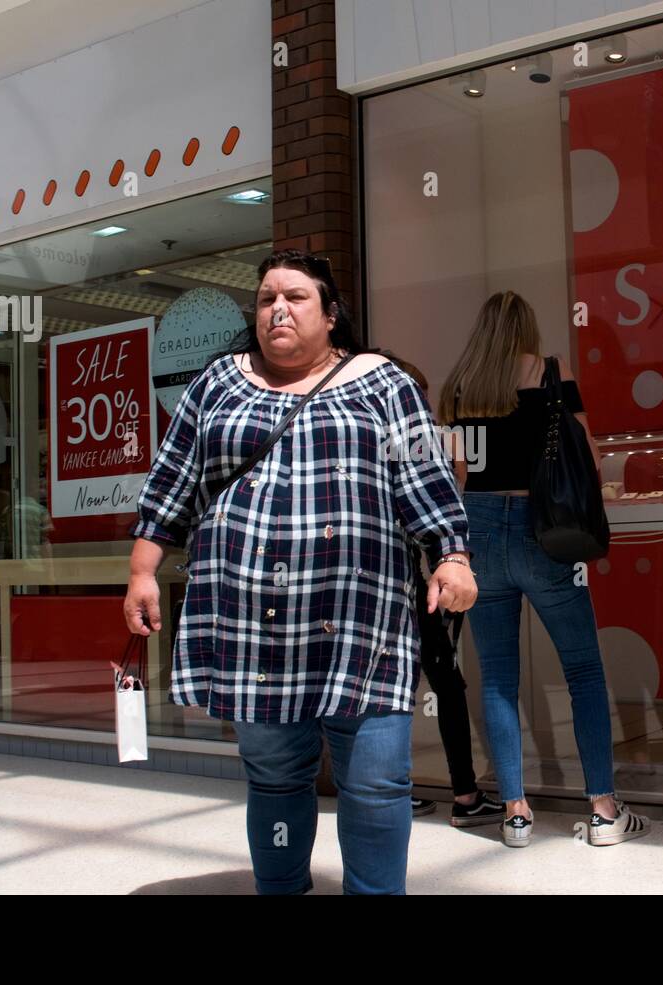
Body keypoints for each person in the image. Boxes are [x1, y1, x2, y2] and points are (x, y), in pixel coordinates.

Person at [123, 249, 477, 894]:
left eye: (295, 297)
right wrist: (143, 571)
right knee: (276, 777)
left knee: (375, 782)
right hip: (250, 619)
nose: (277, 309)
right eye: (265, 299)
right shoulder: (218, 384)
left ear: (332, 314)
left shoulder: (384, 383)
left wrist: (451, 554)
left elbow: (425, 477)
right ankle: (281, 888)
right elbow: (171, 481)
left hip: (361, 618)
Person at [441, 290, 650, 848]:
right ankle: (603, 811)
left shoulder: (462, 383)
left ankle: (514, 813)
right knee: (583, 671)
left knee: (499, 680)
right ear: (527, 328)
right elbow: (589, 451)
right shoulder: (552, 371)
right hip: (544, 529)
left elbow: (458, 470)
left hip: (480, 528)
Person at [378, 349, 505, 827]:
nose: (424, 402)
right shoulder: (430, 441)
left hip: (404, 578)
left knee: (402, 685)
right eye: (420, 393)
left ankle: (400, 789)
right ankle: (464, 795)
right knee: (443, 684)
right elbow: (448, 503)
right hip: (425, 579)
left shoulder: (378, 441)